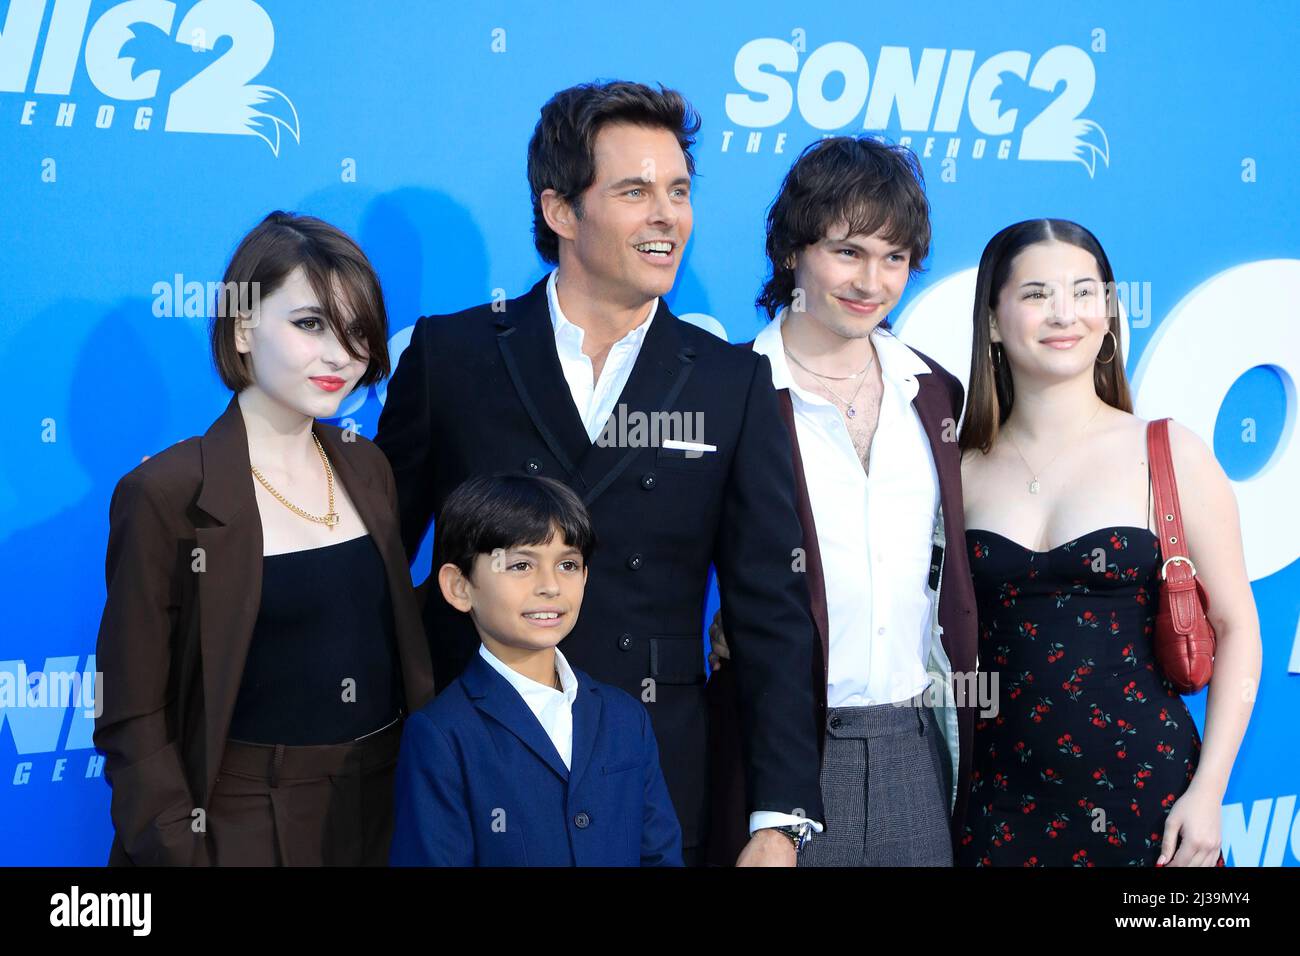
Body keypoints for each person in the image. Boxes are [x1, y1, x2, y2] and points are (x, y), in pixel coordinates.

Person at [375, 80, 824, 866]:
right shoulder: (453, 357)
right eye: (634, 191)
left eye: (679, 191)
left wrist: (778, 818)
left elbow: (772, 612)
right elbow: (381, 567)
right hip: (475, 780)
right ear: (559, 211)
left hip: (650, 778)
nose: (667, 215)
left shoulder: (731, 381)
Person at [94, 212, 435, 866]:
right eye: (310, 324)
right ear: (244, 326)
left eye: (358, 330)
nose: (342, 354)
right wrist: (182, 852)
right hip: (239, 819)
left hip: (384, 808)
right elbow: (131, 715)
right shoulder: (166, 493)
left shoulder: (367, 467)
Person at [955, 218, 1261, 866]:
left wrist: (1208, 793)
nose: (1065, 314)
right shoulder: (958, 470)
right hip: (995, 806)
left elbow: (1237, 627)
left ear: (1110, 311)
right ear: (991, 320)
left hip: (1152, 807)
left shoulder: (1170, 453)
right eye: (1037, 293)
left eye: (1085, 292)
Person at [706, 136, 978, 866]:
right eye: (848, 251)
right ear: (793, 250)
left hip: (913, 750)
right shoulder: (729, 391)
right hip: (775, 753)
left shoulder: (936, 393)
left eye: (895, 257)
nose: (873, 280)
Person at [390, 475, 682, 866]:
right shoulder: (442, 735)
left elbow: (660, 855)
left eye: (568, 564)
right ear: (460, 587)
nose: (550, 586)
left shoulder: (626, 717)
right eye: (521, 564)